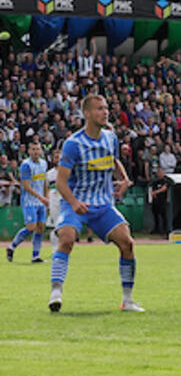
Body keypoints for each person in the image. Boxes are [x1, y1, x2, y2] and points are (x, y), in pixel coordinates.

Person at [50, 94, 142, 312]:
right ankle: (56, 291)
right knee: (67, 238)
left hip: (103, 204)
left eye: (106, 108)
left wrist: (125, 178)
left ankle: (127, 300)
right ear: (87, 113)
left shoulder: (110, 138)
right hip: (76, 202)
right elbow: (61, 181)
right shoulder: (73, 144)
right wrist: (73, 203)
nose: (105, 112)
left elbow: (114, 160)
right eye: (99, 108)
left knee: (127, 243)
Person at [6, 140, 48, 263]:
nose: (36, 152)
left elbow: (44, 181)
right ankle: (11, 247)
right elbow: (26, 186)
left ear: (41, 150)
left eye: (37, 149)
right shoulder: (26, 165)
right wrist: (41, 197)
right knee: (31, 227)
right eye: (33, 149)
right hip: (29, 201)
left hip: (41, 201)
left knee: (41, 227)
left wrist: (46, 198)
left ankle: (35, 256)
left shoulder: (44, 163)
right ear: (29, 151)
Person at [148, 166, 171, 236]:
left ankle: (166, 230)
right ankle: (157, 229)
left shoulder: (166, 180)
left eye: (161, 172)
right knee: (156, 216)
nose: (160, 174)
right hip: (155, 201)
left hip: (163, 201)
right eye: (159, 173)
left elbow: (164, 188)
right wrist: (152, 193)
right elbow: (151, 187)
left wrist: (155, 192)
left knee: (164, 216)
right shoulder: (155, 181)